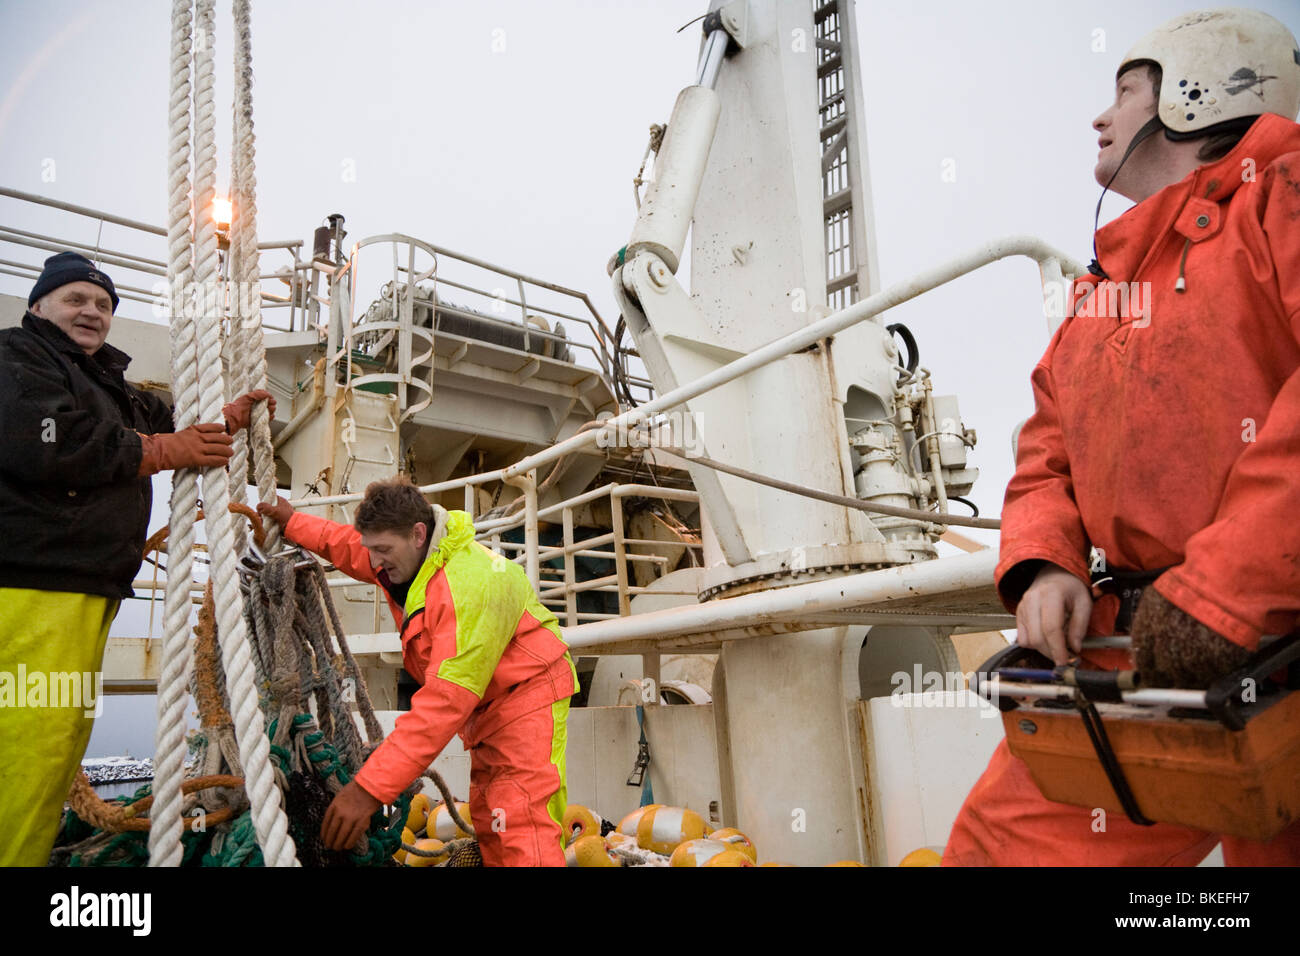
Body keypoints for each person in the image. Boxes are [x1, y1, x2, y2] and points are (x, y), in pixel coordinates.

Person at [943, 9, 1300, 866]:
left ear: (1197, 90)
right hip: (1132, 658)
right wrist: (1046, 561)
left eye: (1124, 92)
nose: (1099, 118)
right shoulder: (1101, 289)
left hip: (1276, 648)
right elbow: (1048, 446)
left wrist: (1221, 597)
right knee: (1003, 852)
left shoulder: (1282, 197)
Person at [0, 251, 275, 866]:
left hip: (84, 587)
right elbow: (41, 435)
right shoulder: (15, 357)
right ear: (38, 305)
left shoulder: (106, 385)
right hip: (30, 586)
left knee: (59, 742)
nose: (92, 312)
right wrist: (162, 449)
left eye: (103, 304)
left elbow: (169, 421)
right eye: (76, 299)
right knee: (27, 743)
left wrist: (223, 420)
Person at [258, 476, 578, 866]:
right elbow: (347, 546)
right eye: (372, 548)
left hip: (525, 700)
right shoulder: (411, 559)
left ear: (418, 534)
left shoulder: (469, 586)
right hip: (487, 706)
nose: (374, 562)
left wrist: (368, 790)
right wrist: (292, 523)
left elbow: (443, 704)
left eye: (383, 550)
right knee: (491, 816)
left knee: (519, 818)